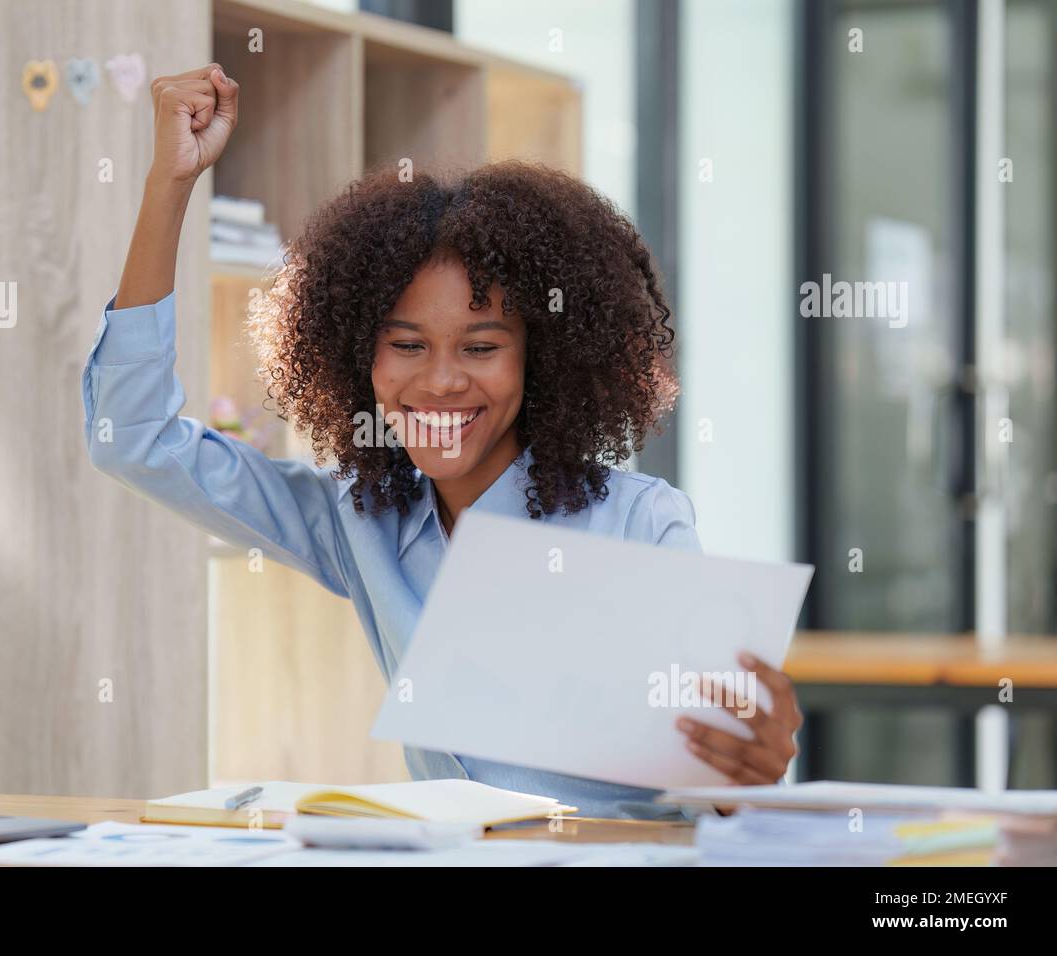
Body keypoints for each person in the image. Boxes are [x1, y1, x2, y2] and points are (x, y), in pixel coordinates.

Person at [82, 63, 803, 819]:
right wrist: (169, 185)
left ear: (540, 357)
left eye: (481, 347)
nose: (441, 382)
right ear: (359, 356)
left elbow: (726, 790)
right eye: (407, 345)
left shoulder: (641, 524)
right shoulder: (359, 521)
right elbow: (131, 438)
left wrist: (751, 771)